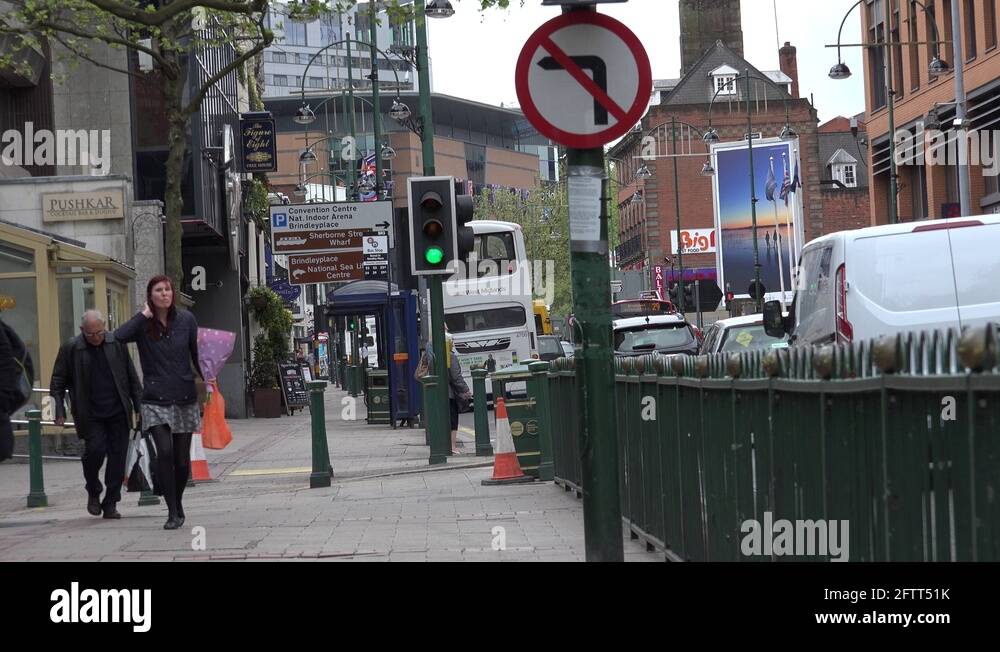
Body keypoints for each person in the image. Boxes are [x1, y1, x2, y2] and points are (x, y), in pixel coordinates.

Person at [116, 276, 202, 530]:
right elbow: (119, 336)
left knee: (182, 460)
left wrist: (209, 380)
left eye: (167, 289)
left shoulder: (187, 320)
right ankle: (173, 512)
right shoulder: (143, 324)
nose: (164, 294)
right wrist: (143, 315)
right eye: (158, 290)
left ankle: (177, 501)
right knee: (164, 452)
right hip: (155, 399)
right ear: (150, 295)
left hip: (184, 397)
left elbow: (197, 355)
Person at [50, 310, 143, 519]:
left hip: (118, 410)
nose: (96, 338)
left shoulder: (116, 343)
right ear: (82, 331)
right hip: (89, 413)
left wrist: (139, 407)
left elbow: (132, 378)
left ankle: (111, 503)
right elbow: (57, 382)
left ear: (105, 328)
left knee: (118, 460)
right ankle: (93, 489)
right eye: (91, 334)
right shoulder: (71, 348)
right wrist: (59, 410)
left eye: (100, 333)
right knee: (95, 451)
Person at [444, 328, 471, 456]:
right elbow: (456, 377)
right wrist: (466, 390)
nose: (453, 343)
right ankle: (452, 446)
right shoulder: (450, 356)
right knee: (453, 419)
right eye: (452, 341)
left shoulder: (432, 352)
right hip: (449, 393)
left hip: (439, 392)